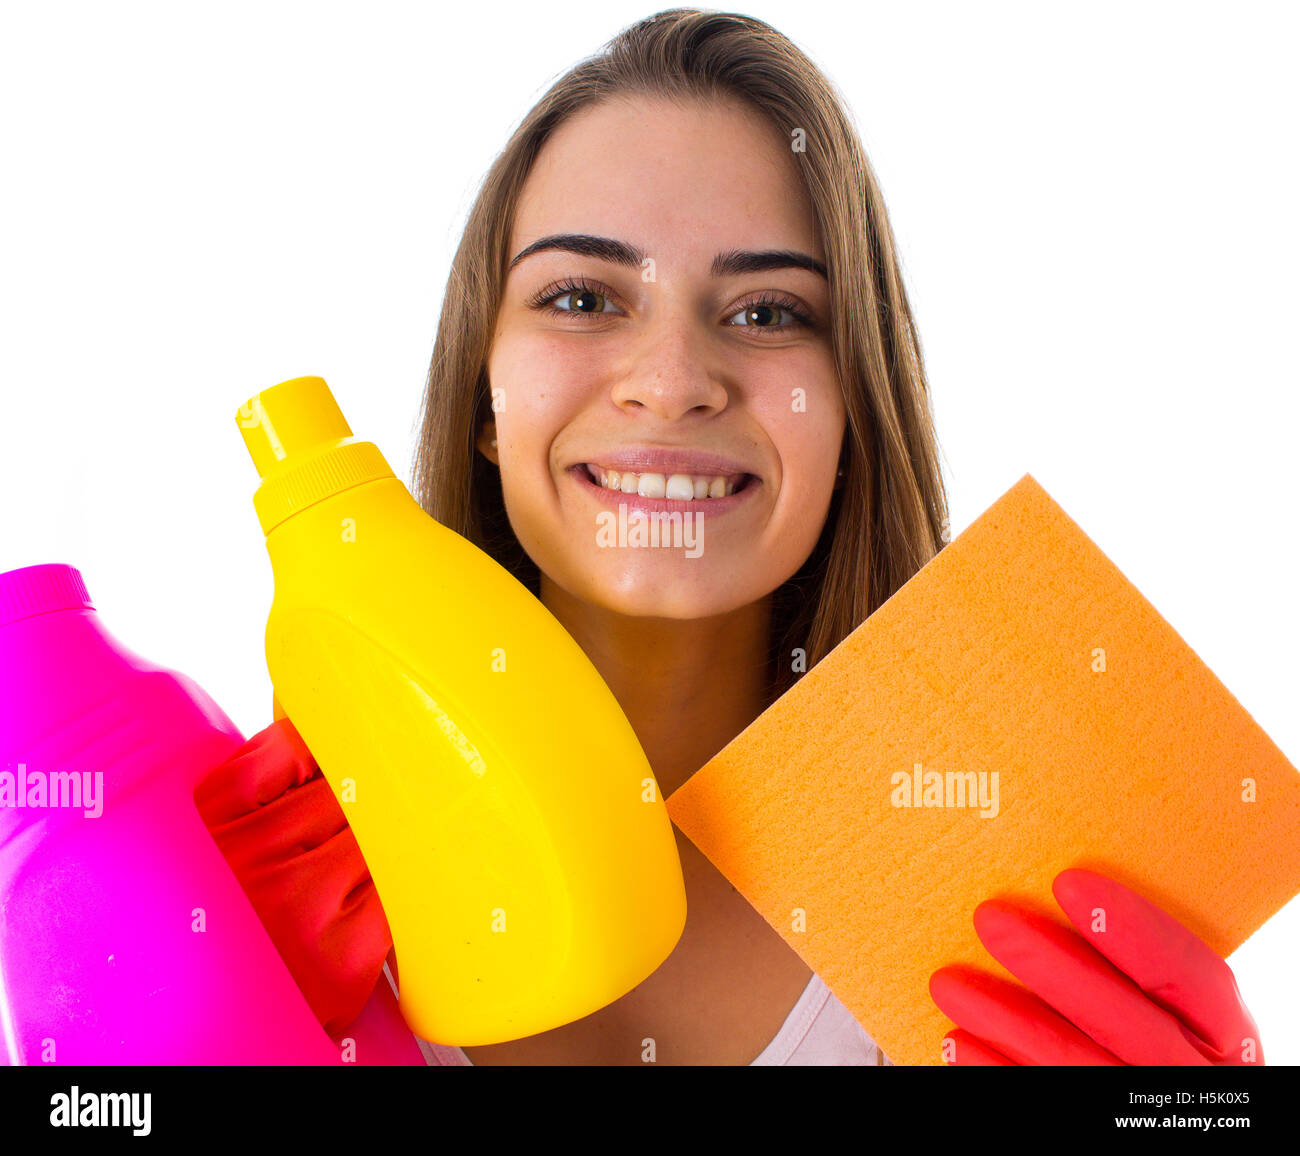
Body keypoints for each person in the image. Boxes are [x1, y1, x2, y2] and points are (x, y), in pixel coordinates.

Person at [203, 8, 1263, 1068]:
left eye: (765, 313)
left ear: (855, 405)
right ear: (485, 399)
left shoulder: (1030, 869)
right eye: (580, 297)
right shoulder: (273, 886)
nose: (670, 383)